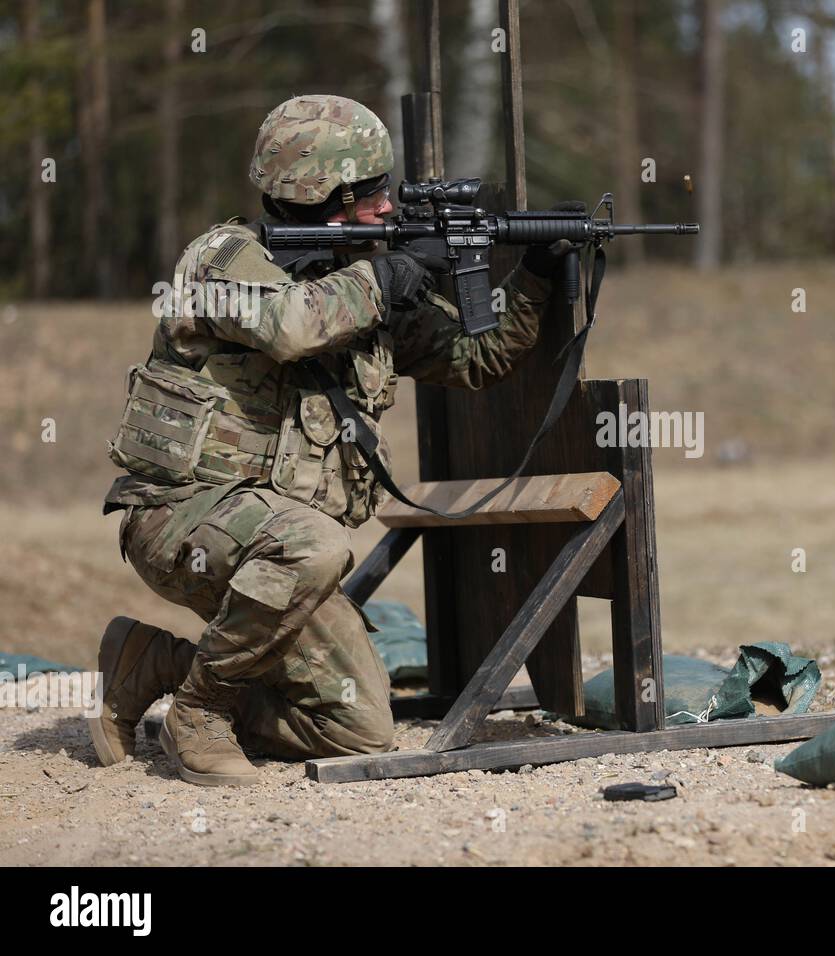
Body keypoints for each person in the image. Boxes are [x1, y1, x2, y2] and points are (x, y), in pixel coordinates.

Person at [89, 93, 572, 786]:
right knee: (318, 543)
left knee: (357, 729)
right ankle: (200, 711)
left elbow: (476, 359)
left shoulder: (358, 273)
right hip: (181, 520)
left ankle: (156, 665)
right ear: (324, 192)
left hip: (281, 551)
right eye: (371, 193)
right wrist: (391, 273)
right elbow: (290, 326)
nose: (385, 207)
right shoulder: (220, 261)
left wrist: (536, 274)